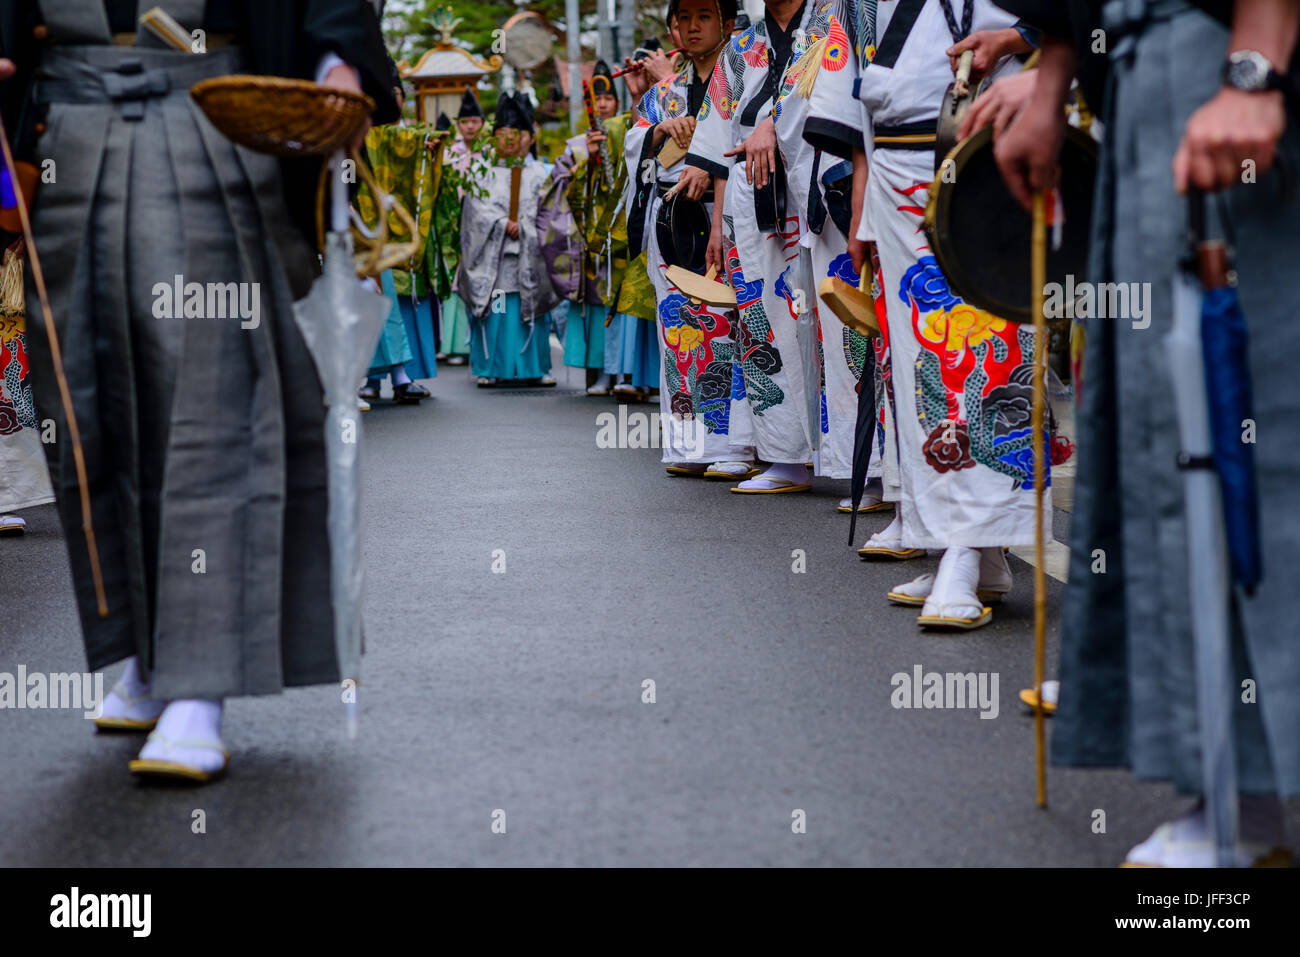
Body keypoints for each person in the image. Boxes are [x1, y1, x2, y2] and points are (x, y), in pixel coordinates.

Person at [0, 0, 397, 781]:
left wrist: (336, 62)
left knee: (210, 402)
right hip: (62, 123)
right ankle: (148, 652)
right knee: (88, 402)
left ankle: (198, 679)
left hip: (217, 109)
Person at [994, 0, 1300, 866]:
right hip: (1141, 69)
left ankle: (1247, 792)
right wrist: (1054, 80)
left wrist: (1256, 63)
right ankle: (1240, 789)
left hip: (1225, 45)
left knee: (1248, 423)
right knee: (1166, 435)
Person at [810, 1, 1037, 629]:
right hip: (891, 162)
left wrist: (1020, 35)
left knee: (985, 352)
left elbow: (1058, 16)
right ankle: (967, 551)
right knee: (917, 367)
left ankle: (969, 547)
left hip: (990, 141)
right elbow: (855, 93)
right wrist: (859, 211)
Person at [678, 0, 824, 495]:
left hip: (818, 182)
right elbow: (720, 147)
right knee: (763, 322)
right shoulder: (742, 47)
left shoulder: (834, 21)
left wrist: (776, 124)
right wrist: (718, 224)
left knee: (836, 318)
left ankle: (859, 463)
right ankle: (785, 458)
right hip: (749, 196)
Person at [627, 0, 759, 475]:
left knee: (730, 327)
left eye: (704, 16)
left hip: (726, 215)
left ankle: (735, 446)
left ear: (726, 23)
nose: (692, 26)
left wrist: (706, 165)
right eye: (684, 18)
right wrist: (660, 128)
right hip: (673, 222)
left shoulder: (745, 73)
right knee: (679, 330)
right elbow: (635, 149)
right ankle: (687, 445)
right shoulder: (663, 92)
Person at [456, 92, 558, 387]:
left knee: (530, 311)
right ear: (494, 138)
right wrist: (501, 223)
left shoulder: (541, 173)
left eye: (517, 133)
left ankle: (535, 368)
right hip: (495, 259)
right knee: (498, 310)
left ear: (530, 136)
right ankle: (492, 368)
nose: (510, 140)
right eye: (502, 134)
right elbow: (474, 212)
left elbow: (548, 213)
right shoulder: (482, 172)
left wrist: (524, 225)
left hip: (530, 256)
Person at [361, 71, 434, 405]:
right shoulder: (360, 130)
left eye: (395, 94)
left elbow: (405, 150)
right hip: (355, 223)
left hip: (386, 229)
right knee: (363, 303)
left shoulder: (398, 136)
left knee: (385, 301)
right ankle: (370, 378)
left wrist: (426, 147)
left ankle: (400, 377)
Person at [436, 86, 487, 367]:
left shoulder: (489, 153)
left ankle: (479, 345)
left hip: (483, 228)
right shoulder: (448, 155)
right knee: (455, 284)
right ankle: (454, 344)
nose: (470, 126)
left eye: (474, 122)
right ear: (458, 125)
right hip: (454, 228)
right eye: (465, 122)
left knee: (484, 283)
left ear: (482, 124)